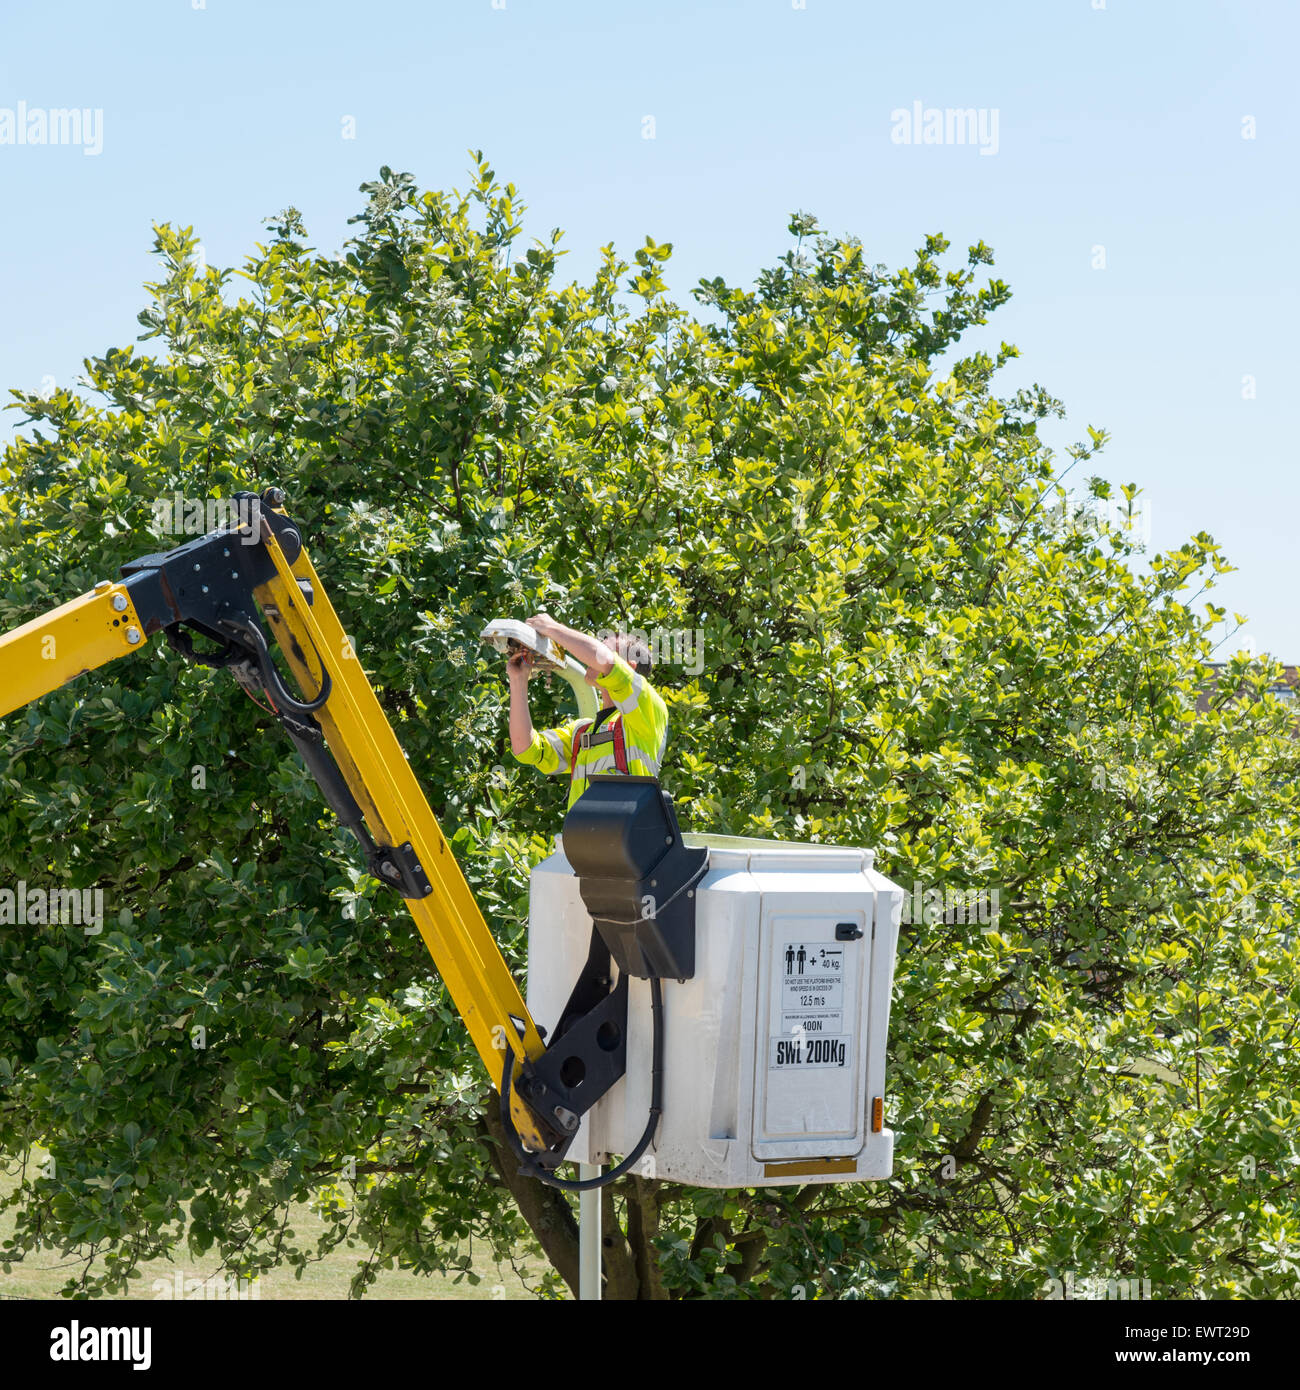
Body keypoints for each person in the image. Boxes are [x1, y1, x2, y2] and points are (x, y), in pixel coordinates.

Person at [507, 613, 667, 809]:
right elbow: (525, 749)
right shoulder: (581, 732)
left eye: (603, 648)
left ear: (628, 668)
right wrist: (518, 680)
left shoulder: (649, 709)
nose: (590, 658)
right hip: (583, 838)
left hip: (627, 838)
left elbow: (606, 661)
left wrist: (552, 628)